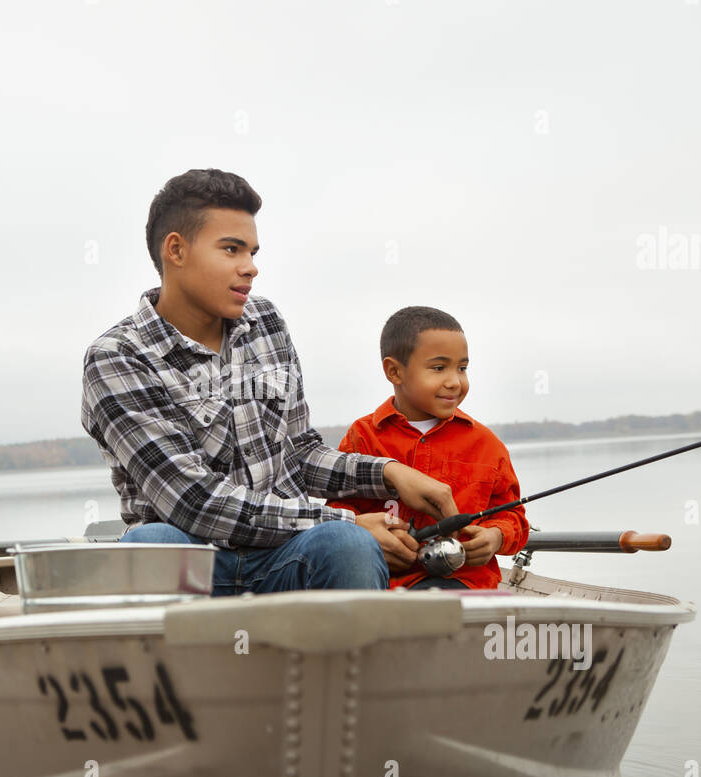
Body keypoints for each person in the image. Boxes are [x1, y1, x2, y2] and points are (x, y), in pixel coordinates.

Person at [80, 169, 458, 596]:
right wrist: (345, 520)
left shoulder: (265, 322)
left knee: (346, 546)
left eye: (253, 251)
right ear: (176, 250)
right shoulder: (118, 356)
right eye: (231, 249)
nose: (251, 267)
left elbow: (299, 454)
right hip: (194, 563)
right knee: (151, 545)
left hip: (287, 554)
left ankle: (350, 663)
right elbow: (194, 502)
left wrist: (389, 474)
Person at [327, 306, 530, 589]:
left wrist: (496, 536)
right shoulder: (362, 437)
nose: (454, 381)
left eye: (462, 368)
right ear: (394, 371)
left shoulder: (487, 444)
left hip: (465, 584)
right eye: (438, 368)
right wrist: (366, 535)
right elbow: (338, 510)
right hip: (382, 585)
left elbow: (514, 518)